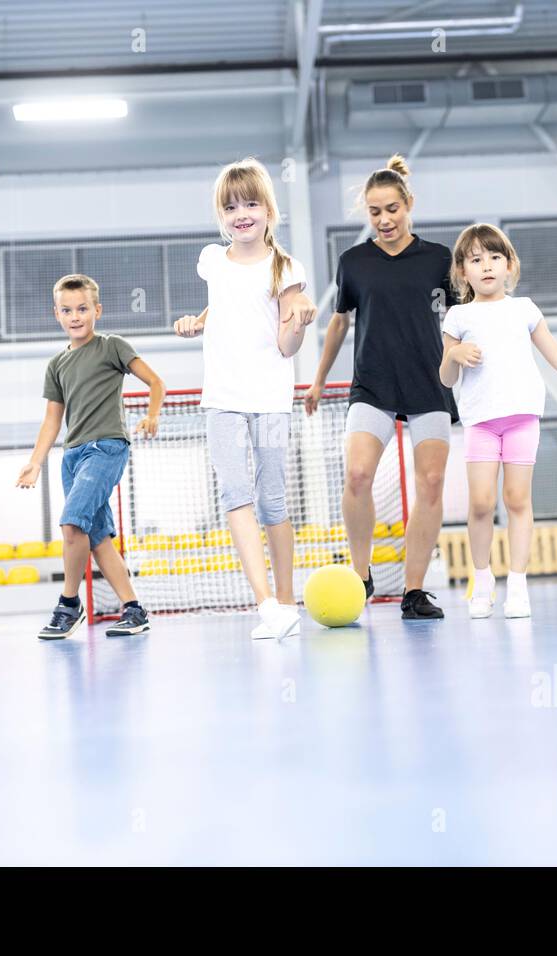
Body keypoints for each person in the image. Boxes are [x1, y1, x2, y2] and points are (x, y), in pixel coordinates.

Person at [440, 223, 557, 619]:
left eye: (494, 257)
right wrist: (454, 356)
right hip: (481, 422)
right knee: (480, 503)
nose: (486, 266)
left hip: (522, 417)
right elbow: (446, 378)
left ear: (509, 265)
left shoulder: (523, 309)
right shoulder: (458, 316)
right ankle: (482, 579)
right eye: (476, 259)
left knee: (517, 500)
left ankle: (518, 585)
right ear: (462, 271)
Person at [305, 155, 456, 620]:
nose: (384, 219)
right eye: (374, 212)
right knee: (357, 475)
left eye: (392, 208)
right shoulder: (354, 262)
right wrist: (318, 381)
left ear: (408, 204)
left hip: (429, 383)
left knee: (431, 483)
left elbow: (464, 320)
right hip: (371, 382)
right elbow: (339, 322)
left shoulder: (438, 259)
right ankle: (360, 575)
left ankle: (413, 591)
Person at [174, 157, 317, 639]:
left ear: (269, 210)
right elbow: (228, 305)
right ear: (221, 215)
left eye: (251, 203)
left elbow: (284, 345)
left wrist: (296, 323)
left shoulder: (285, 267)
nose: (242, 214)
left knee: (273, 498)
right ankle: (265, 605)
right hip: (222, 398)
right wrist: (198, 320)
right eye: (231, 206)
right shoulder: (212, 260)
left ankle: (285, 599)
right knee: (235, 494)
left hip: (272, 398)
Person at [17, 274, 165, 638]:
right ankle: (134, 610)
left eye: (83, 309)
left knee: (72, 524)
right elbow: (53, 420)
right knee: (97, 539)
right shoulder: (56, 366)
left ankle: (69, 604)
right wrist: (36, 462)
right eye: (67, 310)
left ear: (97, 310)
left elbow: (156, 382)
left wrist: (152, 414)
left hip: (107, 447)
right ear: (57, 315)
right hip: (73, 457)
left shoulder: (112, 346)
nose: (76, 316)